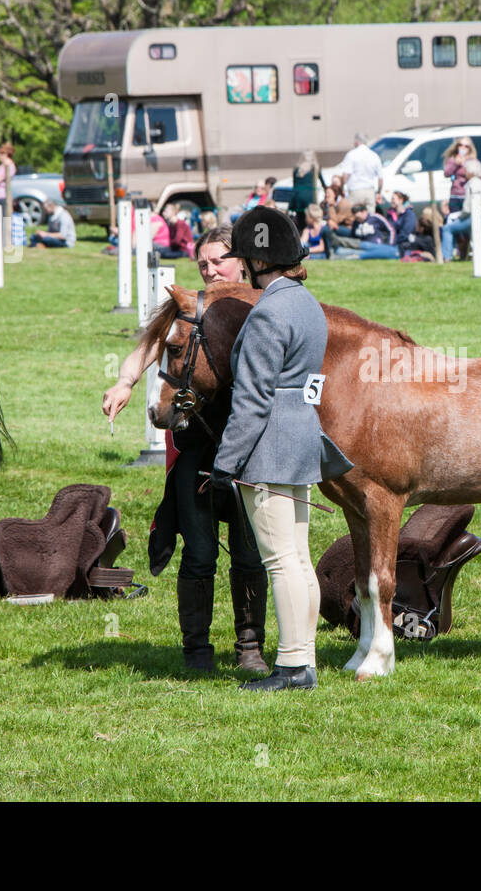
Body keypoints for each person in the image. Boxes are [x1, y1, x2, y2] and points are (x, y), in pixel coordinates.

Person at [110, 227, 271, 675]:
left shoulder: (263, 305)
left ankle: (249, 648)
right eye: (203, 264)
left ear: (241, 262)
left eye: (218, 261)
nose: (210, 270)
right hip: (195, 448)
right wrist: (124, 382)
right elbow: (147, 346)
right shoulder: (189, 307)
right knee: (199, 553)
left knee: (249, 552)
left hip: (248, 450)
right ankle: (196, 653)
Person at [207, 206, 354, 692]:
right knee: (298, 556)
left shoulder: (268, 312)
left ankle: (293, 667)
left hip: (268, 446)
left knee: (280, 560)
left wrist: (225, 464)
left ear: (254, 261)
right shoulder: (308, 304)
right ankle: (302, 658)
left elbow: (250, 401)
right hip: (302, 438)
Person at [439, 159, 481, 259]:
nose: (464, 173)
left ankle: (446, 257)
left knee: (447, 228)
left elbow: (467, 209)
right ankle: (465, 255)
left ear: (470, 172)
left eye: (465, 170)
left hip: (475, 217)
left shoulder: (471, 185)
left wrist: (459, 218)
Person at [338, 133, 382, 209]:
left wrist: (342, 188)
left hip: (355, 190)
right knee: (369, 217)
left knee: (353, 215)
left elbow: (345, 175)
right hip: (370, 191)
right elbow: (380, 178)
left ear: (356, 142)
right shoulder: (374, 156)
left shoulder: (351, 155)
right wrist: (378, 192)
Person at [289, 150, 324, 230]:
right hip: (310, 197)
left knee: (300, 219)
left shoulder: (296, 170)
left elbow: (294, 185)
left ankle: (301, 237)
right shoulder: (314, 168)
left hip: (298, 197)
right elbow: (322, 182)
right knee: (311, 219)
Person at [441, 136, 476, 214]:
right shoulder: (453, 159)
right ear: (457, 146)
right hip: (455, 195)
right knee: (454, 218)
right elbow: (446, 173)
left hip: (467, 195)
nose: (463, 148)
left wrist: (468, 169)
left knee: (466, 221)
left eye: (466, 146)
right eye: (460, 145)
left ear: (469, 149)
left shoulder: (472, 160)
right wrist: (456, 163)